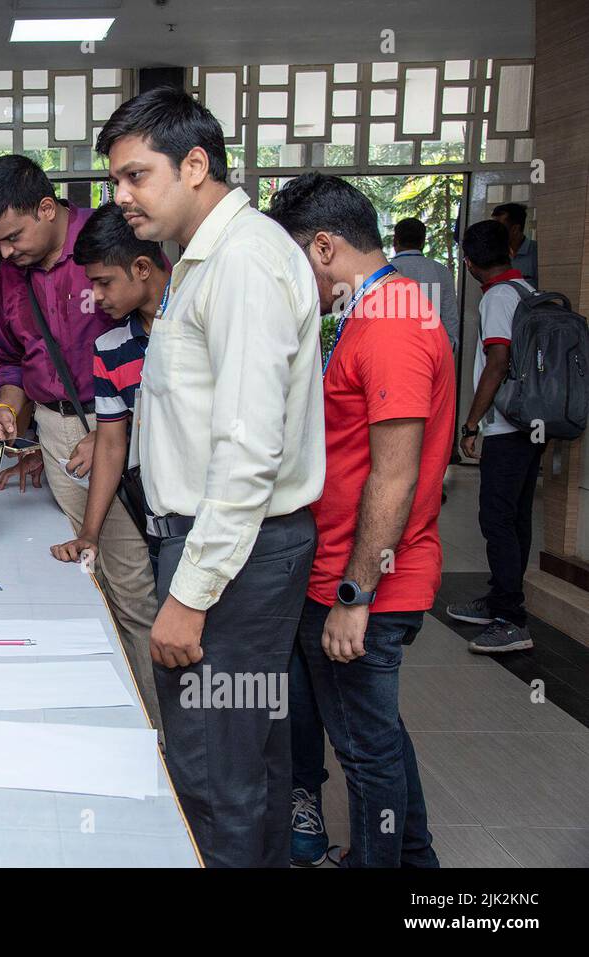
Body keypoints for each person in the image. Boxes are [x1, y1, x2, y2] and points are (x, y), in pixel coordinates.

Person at [96, 87, 324, 867]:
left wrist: (188, 598)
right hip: (224, 547)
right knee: (244, 758)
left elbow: (248, 449)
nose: (120, 198)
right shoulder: (199, 262)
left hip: (228, 553)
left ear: (195, 165)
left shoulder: (244, 261)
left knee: (210, 768)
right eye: (115, 181)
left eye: (135, 176)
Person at [268, 173, 451, 869]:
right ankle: (416, 858)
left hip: (363, 578)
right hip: (351, 568)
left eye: (293, 266)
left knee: (366, 754)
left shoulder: (393, 323)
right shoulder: (381, 310)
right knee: (378, 736)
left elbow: (395, 472)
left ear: (323, 247)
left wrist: (355, 595)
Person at [0, 155, 159, 697]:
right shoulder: (11, 273)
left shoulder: (109, 241)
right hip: (55, 430)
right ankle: (98, 704)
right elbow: (11, 358)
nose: (5, 254)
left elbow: (159, 343)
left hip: (123, 427)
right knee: (81, 578)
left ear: (47, 208)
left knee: (128, 582)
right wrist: (9, 408)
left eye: (11, 237)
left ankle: (159, 734)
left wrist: (110, 429)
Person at [48, 202, 168, 724]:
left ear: (142, 268)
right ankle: (163, 736)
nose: (94, 297)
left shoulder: (202, 324)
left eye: (102, 283)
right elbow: (111, 445)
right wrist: (90, 532)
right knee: (157, 620)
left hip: (215, 516)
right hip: (157, 515)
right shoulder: (111, 346)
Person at [447, 219, 543, 654]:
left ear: (469, 263)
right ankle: (501, 599)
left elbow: (497, 362)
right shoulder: (527, 290)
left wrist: (471, 424)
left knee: (497, 520)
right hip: (531, 424)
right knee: (516, 518)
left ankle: (511, 619)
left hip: (506, 428)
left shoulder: (499, 298)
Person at [391, 217, 461, 351]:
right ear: (423, 242)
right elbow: (450, 317)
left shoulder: (385, 272)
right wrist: (449, 348)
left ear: (395, 241)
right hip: (433, 350)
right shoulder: (441, 272)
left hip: (395, 349)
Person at [492, 202, 538, 287]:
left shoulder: (537, 253)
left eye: (499, 229)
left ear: (515, 229)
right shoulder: (496, 255)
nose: (493, 233)